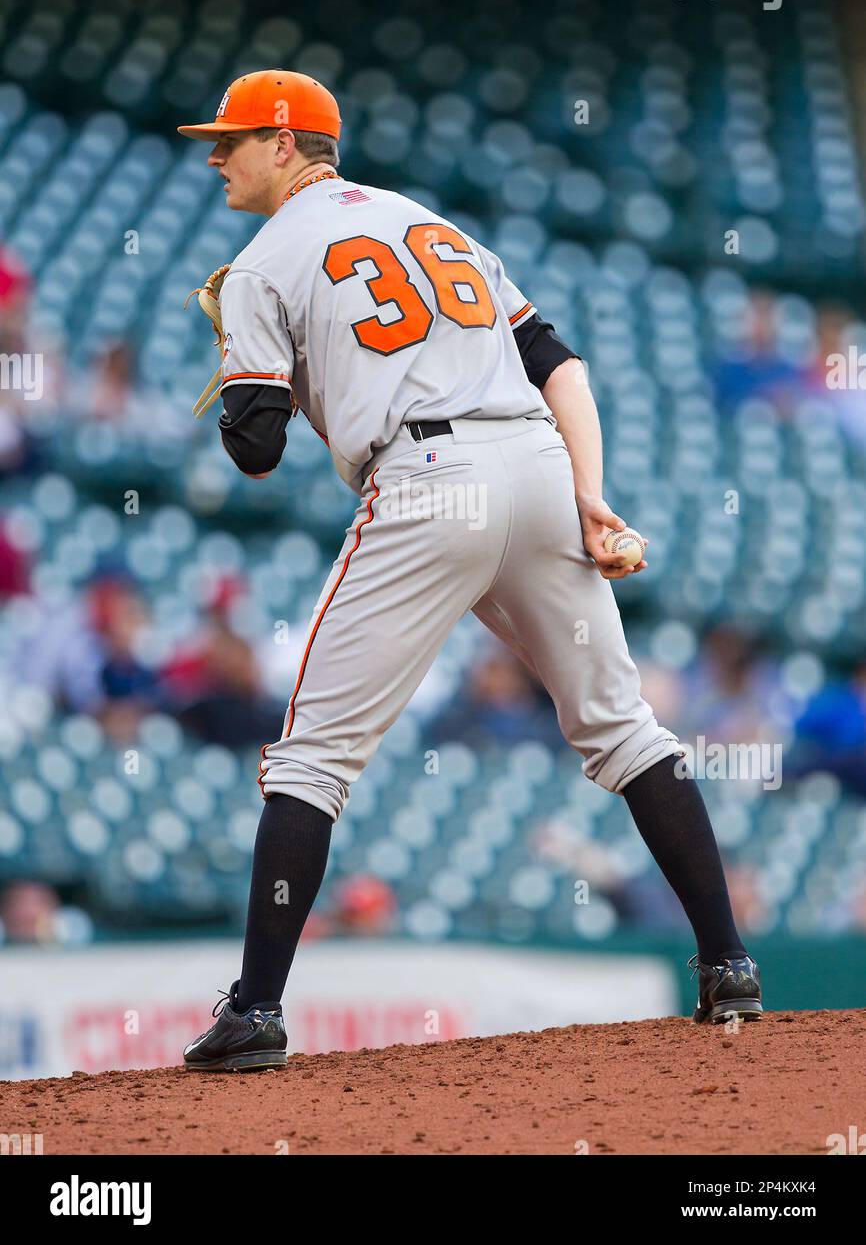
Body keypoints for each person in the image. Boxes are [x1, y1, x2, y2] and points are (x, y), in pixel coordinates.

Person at [178, 70, 761, 1071]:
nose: (214, 156)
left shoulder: (259, 263)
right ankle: (727, 964)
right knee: (621, 726)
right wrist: (589, 489)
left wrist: (242, 369)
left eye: (231, 139)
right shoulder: (430, 224)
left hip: (423, 480)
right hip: (536, 463)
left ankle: (255, 1011)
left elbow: (256, 449)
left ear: (287, 144)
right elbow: (555, 356)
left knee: (311, 758)